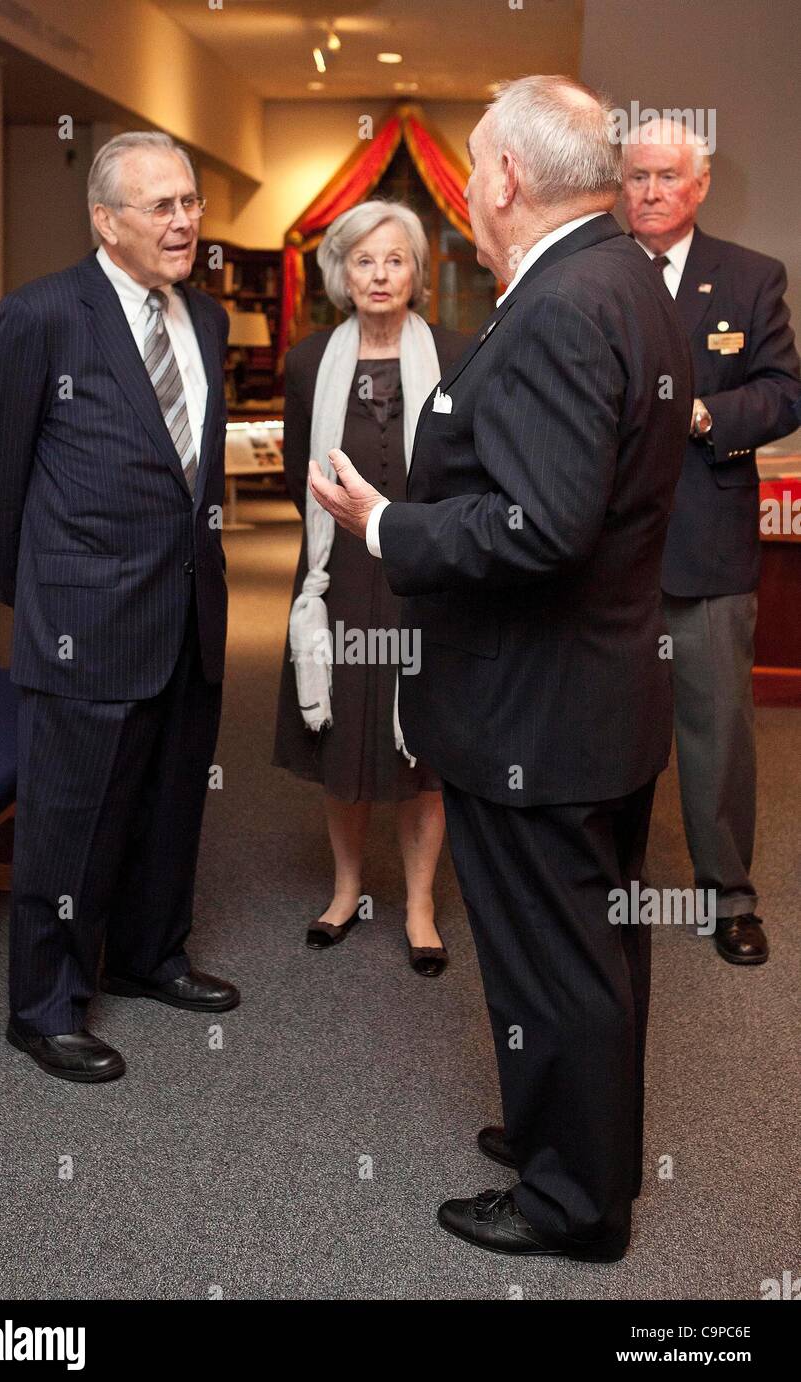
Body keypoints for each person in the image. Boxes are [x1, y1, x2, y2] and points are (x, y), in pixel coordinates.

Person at [308, 76, 692, 1260]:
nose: (469, 185)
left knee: (557, 966)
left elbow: (541, 527)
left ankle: (573, 1205)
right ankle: (574, 1145)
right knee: (593, 954)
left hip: (543, 710)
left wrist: (386, 527)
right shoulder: (621, 276)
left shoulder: (567, 303)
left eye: (472, 164)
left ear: (511, 178)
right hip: (599, 696)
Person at [0, 131, 239, 1085]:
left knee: (169, 802)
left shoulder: (205, 323)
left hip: (191, 613)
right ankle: (44, 1007)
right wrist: (36, 590)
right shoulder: (41, 316)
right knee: (70, 819)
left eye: (190, 202)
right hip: (86, 619)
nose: (182, 221)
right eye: (160, 206)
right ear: (104, 219)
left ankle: (151, 954)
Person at [272, 200, 469, 976]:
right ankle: (346, 890)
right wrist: (346, 534)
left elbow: (465, 470)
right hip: (340, 576)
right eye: (363, 260)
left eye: (395, 259)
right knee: (344, 741)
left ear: (417, 272)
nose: (380, 274)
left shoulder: (457, 355)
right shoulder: (306, 360)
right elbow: (298, 472)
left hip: (424, 572)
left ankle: (419, 906)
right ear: (339, 274)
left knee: (422, 749)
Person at [622, 120, 801, 967]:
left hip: (706, 541)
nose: (650, 192)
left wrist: (702, 415)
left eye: (666, 177)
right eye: (635, 177)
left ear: (698, 188)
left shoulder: (749, 277)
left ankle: (727, 896)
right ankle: (606, 883)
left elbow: (781, 393)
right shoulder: (594, 271)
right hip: (603, 550)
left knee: (717, 731)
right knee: (605, 723)